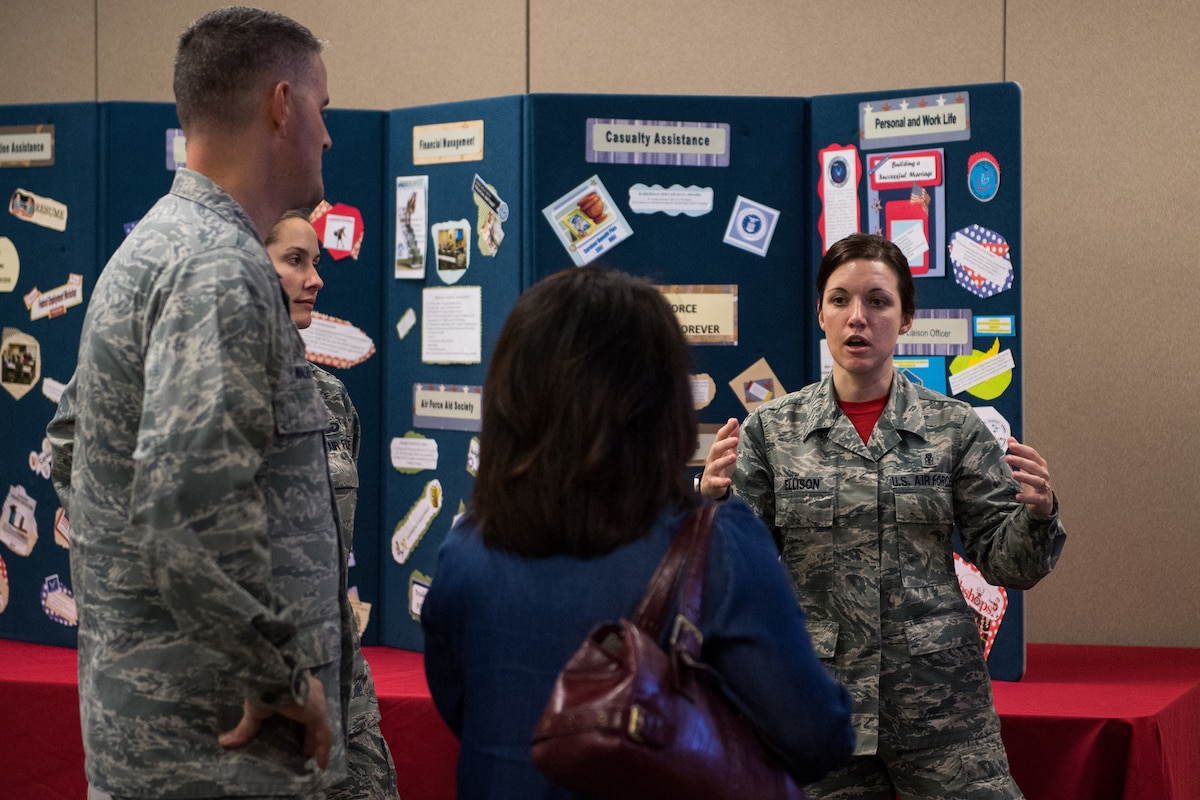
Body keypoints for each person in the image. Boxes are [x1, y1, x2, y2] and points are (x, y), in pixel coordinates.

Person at [45, 8, 356, 799]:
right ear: (281, 105)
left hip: (161, 747)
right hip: (220, 759)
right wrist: (278, 677)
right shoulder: (219, 267)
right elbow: (186, 509)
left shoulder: (154, 248)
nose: (328, 137)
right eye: (322, 109)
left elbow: (71, 450)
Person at [420, 265, 856, 798]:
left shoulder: (465, 549)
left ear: (511, 395)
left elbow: (460, 708)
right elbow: (816, 737)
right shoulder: (718, 545)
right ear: (659, 401)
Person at [698, 232, 1067, 800]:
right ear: (820, 313)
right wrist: (710, 505)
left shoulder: (954, 428)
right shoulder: (772, 431)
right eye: (840, 300)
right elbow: (734, 577)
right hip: (820, 707)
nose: (858, 318)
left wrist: (1036, 515)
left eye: (877, 301)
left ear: (906, 318)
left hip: (941, 712)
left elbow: (1008, 565)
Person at [265, 210, 400, 800]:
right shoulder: (208, 392)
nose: (315, 278)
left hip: (342, 672)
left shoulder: (331, 397)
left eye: (317, 261)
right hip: (258, 675)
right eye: (295, 261)